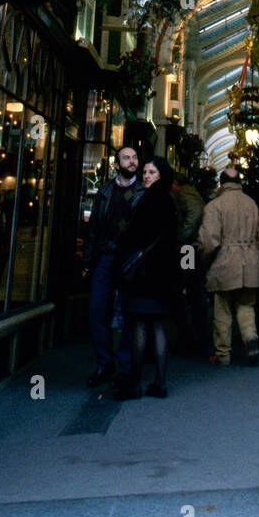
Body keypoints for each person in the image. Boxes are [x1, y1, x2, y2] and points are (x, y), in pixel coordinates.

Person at [114, 155, 179, 399]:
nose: (146, 176)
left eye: (151, 172)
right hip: (163, 275)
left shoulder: (149, 200)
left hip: (144, 274)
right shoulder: (169, 201)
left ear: (160, 175)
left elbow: (134, 235)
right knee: (159, 326)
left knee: (141, 325)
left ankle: (136, 383)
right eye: (145, 172)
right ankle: (160, 383)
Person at [82, 144, 144, 387]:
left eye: (134, 157)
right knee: (97, 310)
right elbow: (94, 230)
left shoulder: (143, 190)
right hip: (106, 256)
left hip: (131, 259)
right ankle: (104, 363)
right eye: (126, 158)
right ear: (116, 165)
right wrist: (88, 262)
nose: (131, 161)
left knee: (129, 311)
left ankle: (125, 367)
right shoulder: (105, 191)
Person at [198, 166, 259, 366]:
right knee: (246, 306)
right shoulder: (252, 204)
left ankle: (222, 354)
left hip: (224, 263)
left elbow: (209, 241)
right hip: (250, 262)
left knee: (222, 310)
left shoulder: (214, 205)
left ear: (221, 183)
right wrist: (257, 259)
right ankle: (250, 338)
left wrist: (200, 261)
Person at [170, 171, 207, 355]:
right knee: (191, 289)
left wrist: (182, 237)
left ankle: (191, 336)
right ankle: (194, 334)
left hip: (188, 250)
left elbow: (195, 213)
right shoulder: (191, 193)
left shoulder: (184, 194)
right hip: (190, 248)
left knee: (185, 287)